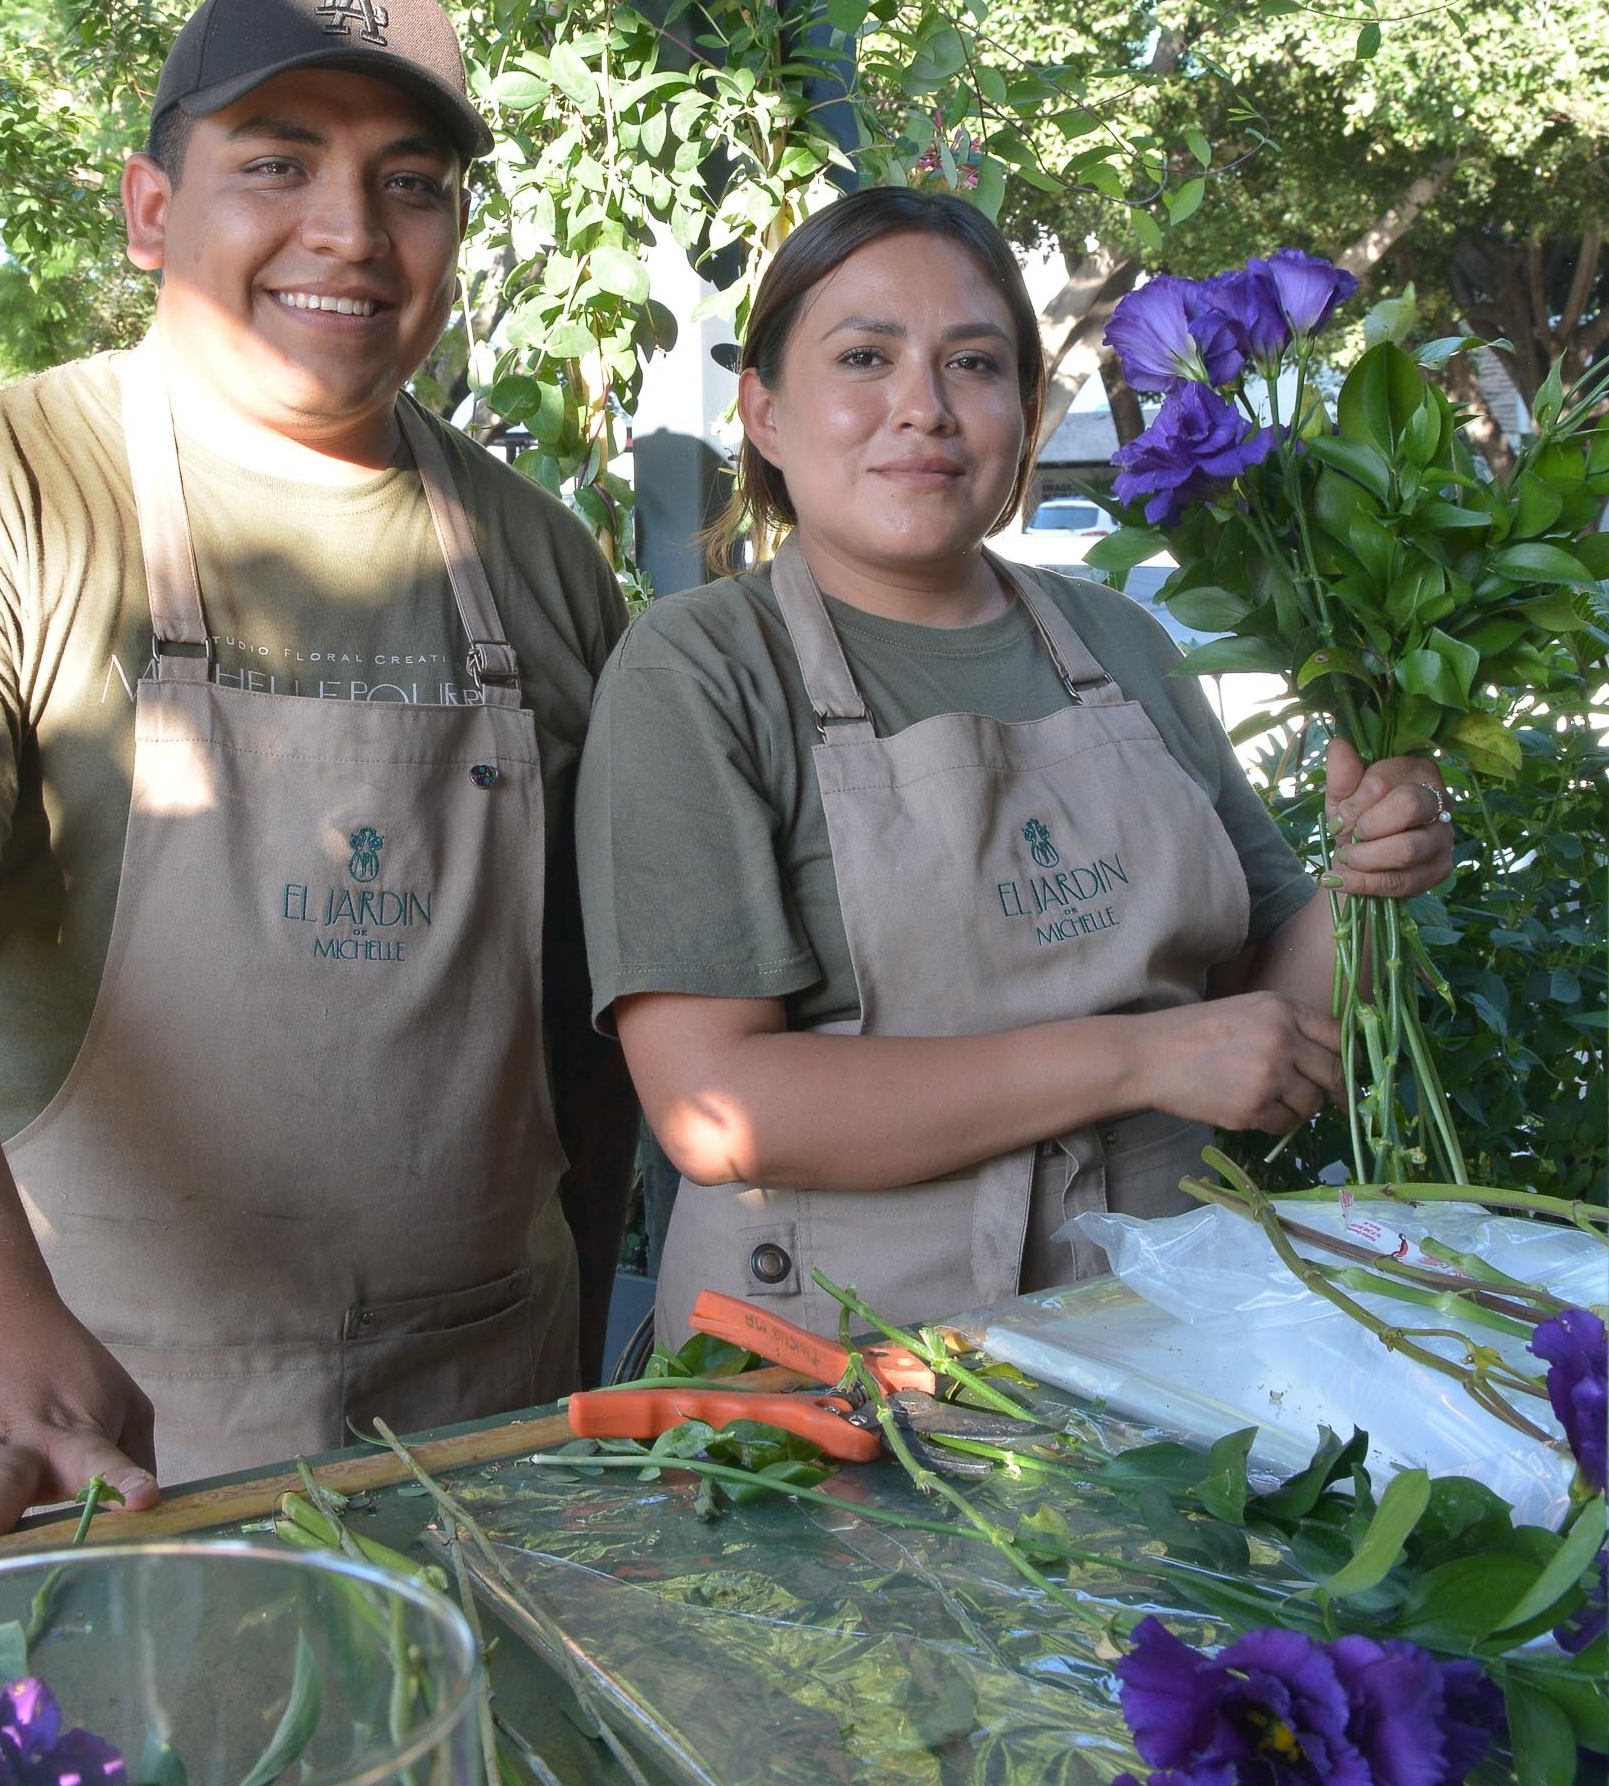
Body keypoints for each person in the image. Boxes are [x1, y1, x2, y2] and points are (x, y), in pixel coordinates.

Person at [0, 0, 635, 1559]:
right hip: (77, 1434)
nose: (350, 235)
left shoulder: (540, 557)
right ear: (152, 211)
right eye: (275, 165)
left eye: (413, 184)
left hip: (478, 1435)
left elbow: (591, 1032)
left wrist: (575, 1352)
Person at [576, 189, 1454, 1345]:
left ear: (1026, 414)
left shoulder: (1118, 642)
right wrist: (1136, 1056)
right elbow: (713, 1109)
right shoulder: (700, 668)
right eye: (862, 357)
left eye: (973, 364)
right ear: (767, 414)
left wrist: (1368, 872)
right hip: (832, 1374)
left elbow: (1273, 1009)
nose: (922, 410)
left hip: (1170, 1336)